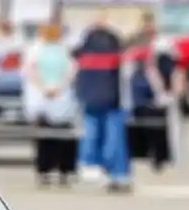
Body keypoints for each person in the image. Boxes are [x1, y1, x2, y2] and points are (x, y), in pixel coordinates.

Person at [74, 12, 131, 192]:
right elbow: (124, 77)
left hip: (89, 98)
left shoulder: (84, 49)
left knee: (91, 132)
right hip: (112, 99)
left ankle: (90, 165)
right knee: (114, 137)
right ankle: (118, 173)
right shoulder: (115, 49)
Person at [129, 13, 185, 173]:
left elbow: (175, 67)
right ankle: (144, 154)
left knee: (157, 128)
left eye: (150, 24)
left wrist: (173, 89)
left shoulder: (163, 45)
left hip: (156, 93)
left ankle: (159, 158)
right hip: (140, 92)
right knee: (143, 126)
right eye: (146, 24)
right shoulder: (135, 43)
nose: (148, 28)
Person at [24, 22, 77, 185]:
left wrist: (59, 87)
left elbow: (71, 71)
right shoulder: (36, 49)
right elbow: (30, 70)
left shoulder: (64, 50)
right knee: (45, 137)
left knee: (64, 137)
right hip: (44, 96)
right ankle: (45, 169)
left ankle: (64, 170)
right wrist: (44, 88)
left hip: (61, 96)